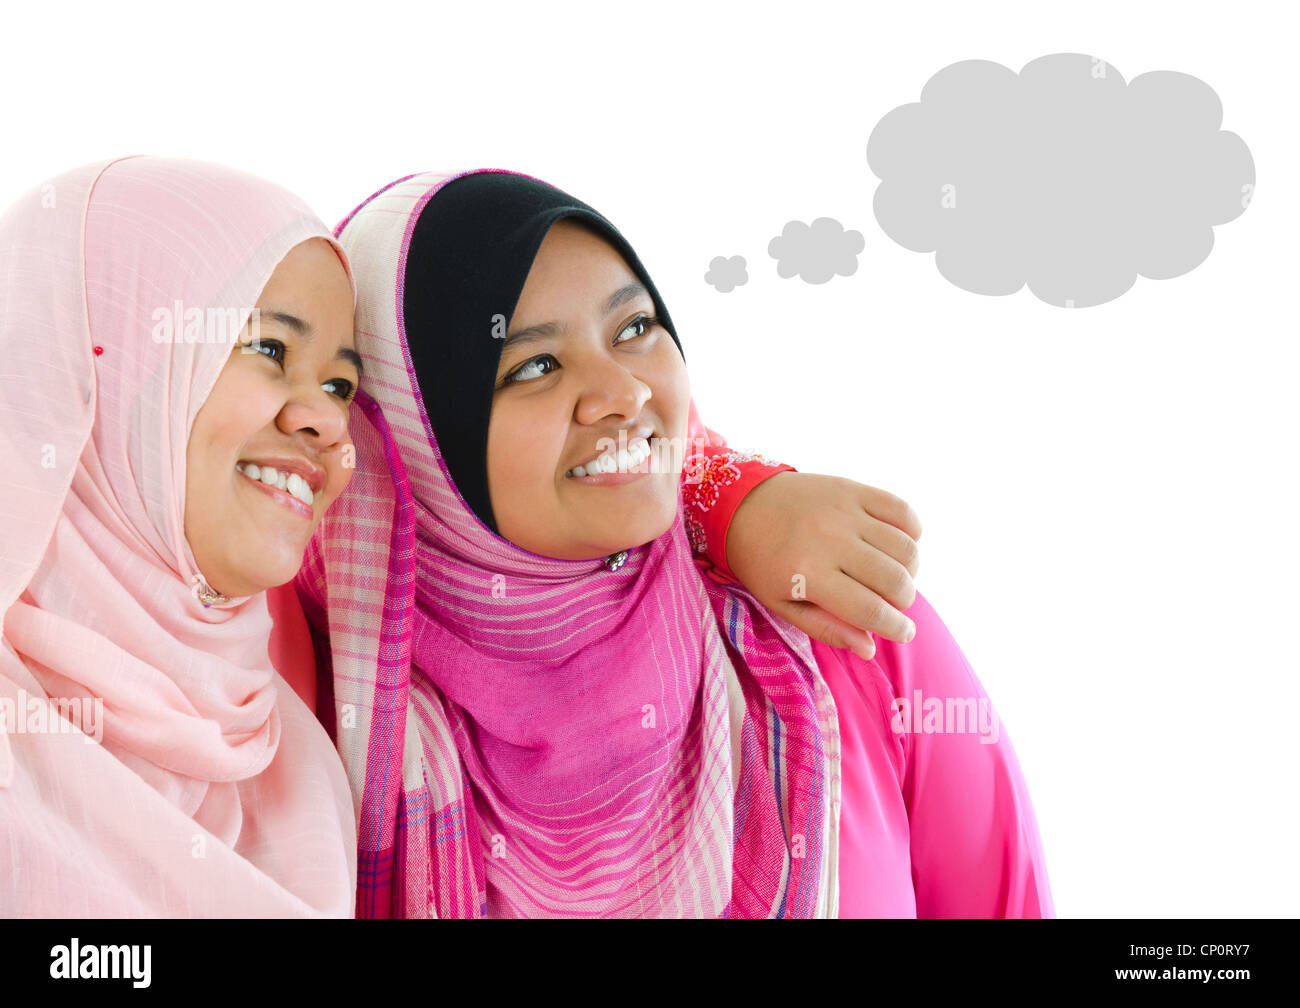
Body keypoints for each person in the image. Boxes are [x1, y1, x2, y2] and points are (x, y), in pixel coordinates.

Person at [299, 168, 1054, 917]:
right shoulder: (333, 731)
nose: (623, 391)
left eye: (634, 328)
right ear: (409, 429)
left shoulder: (834, 619)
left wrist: (731, 495)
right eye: (534, 366)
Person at [0, 156, 360, 916]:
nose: (327, 422)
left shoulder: (302, 763)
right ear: (103, 369)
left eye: (339, 385)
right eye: (267, 348)